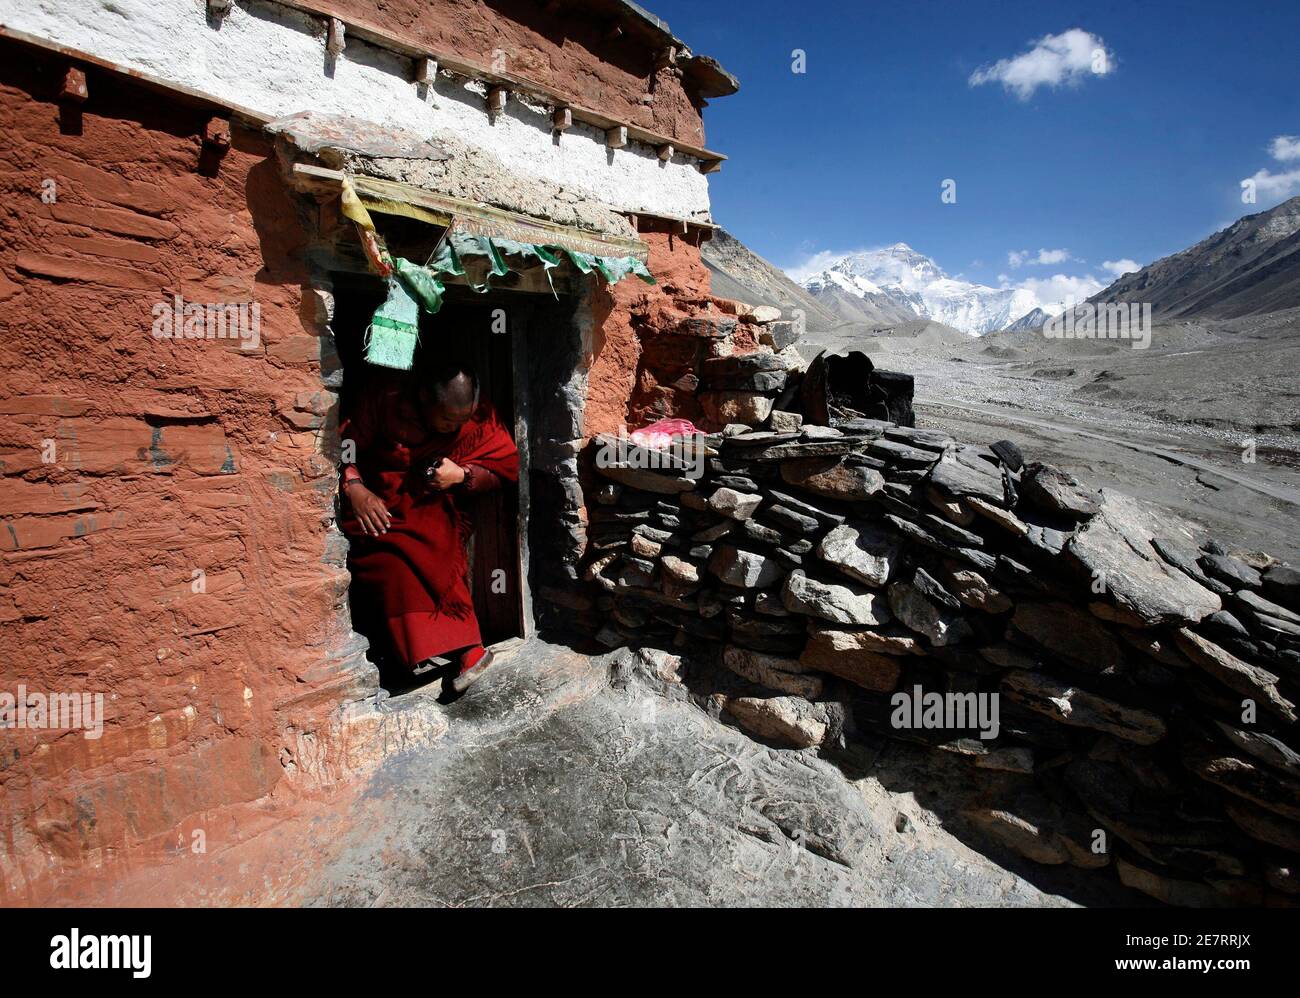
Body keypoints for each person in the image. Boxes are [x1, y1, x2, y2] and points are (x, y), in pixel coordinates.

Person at [338, 362, 519, 693]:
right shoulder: (386, 397)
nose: (455, 427)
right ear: (424, 397)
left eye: (461, 420)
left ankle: (466, 648)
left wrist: (461, 475)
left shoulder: (476, 416)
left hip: (428, 505)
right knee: (389, 564)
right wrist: (354, 487)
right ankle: (404, 657)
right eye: (448, 419)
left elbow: (506, 465)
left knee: (440, 545)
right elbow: (344, 445)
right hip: (379, 501)